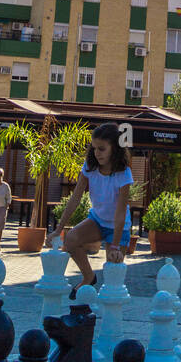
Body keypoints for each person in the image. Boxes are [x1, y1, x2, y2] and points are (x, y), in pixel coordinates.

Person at [54, 122, 132, 291]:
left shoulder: (124, 173)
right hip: (97, 221)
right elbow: (74, 198)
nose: (97, 153)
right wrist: (58, 229)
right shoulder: (89, 167)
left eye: (102, 149)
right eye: (94, 148)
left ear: (115, 148)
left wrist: (115, 246)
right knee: (71, 239)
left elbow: (120, 213)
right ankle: (89, 276)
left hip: (119, 227)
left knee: (112, 277)